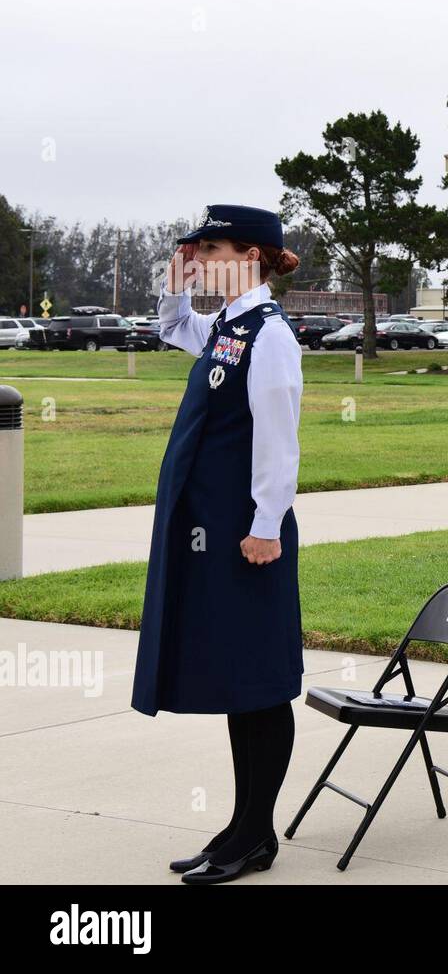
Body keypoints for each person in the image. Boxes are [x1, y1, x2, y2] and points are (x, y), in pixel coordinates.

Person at [131, 204, 305, 883]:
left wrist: (266, 524)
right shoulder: (228, 327)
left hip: (249, 538)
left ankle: (256, 834)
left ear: (251, 255)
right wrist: (174, 280)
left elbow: (278, 439)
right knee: (239, 681)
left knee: (260, 683)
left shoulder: (270, 335)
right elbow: (170, 324)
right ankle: (241, 826)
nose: (200, 256)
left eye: (212, 247)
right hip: (223, 537)